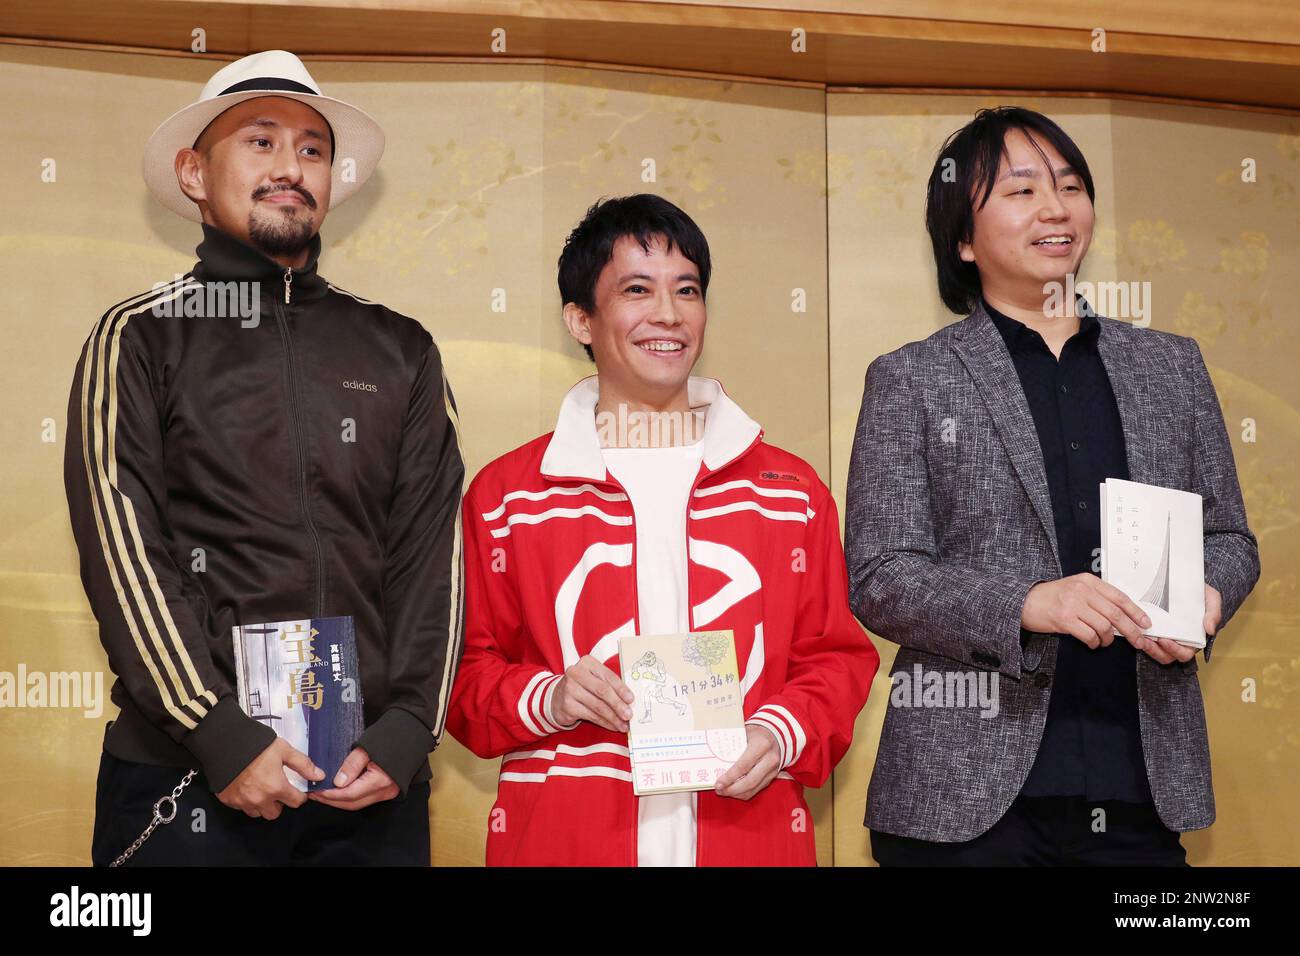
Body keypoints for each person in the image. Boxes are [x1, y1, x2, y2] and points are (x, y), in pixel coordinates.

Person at [65, 50, 465, 866]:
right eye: (261, 141)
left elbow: (434, 559)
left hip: (367, 784)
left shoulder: (400, 348)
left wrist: (409, 728)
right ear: (193, 171)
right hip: (188, 780)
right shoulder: (140, 336)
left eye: (313, 149)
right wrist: (216, 731)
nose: (291, 167)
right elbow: (123, 553)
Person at [846, 106, 1260, 865]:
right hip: (962, 798)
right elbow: (881, 575)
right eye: (1021, 190)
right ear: (963, 239)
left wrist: (1207, 595)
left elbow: (1229, 538)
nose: (1056, 207)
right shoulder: (912, 378)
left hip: (1138, 782)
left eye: (1071, 185)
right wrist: (1032, 603)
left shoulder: (1172, 367)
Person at [447, 193, 878, 865]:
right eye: (637, 290)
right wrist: (550, 697)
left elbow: (837, 658)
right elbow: (461, 678)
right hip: (567, 838)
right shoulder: (509, 497)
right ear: (580, 319)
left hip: (749, 833)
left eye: (688, 290)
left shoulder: (788, 493)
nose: (670, 315)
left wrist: (780, 732)